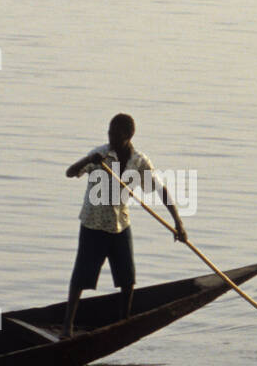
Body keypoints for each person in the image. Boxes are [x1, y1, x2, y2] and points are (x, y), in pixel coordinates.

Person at [60, 114, 188, 339]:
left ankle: (123, 322)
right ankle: (67, 327)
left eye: (115, 134)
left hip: (120, 225)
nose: (110, 138)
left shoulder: (138, 161)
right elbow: (70, 173)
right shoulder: (99, 154)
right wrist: (88, 160)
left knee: (128, 279)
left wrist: (178, 223)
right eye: (109, 132)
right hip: (93, 224)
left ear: (128, 136)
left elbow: (161, 190)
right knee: (81, 276)